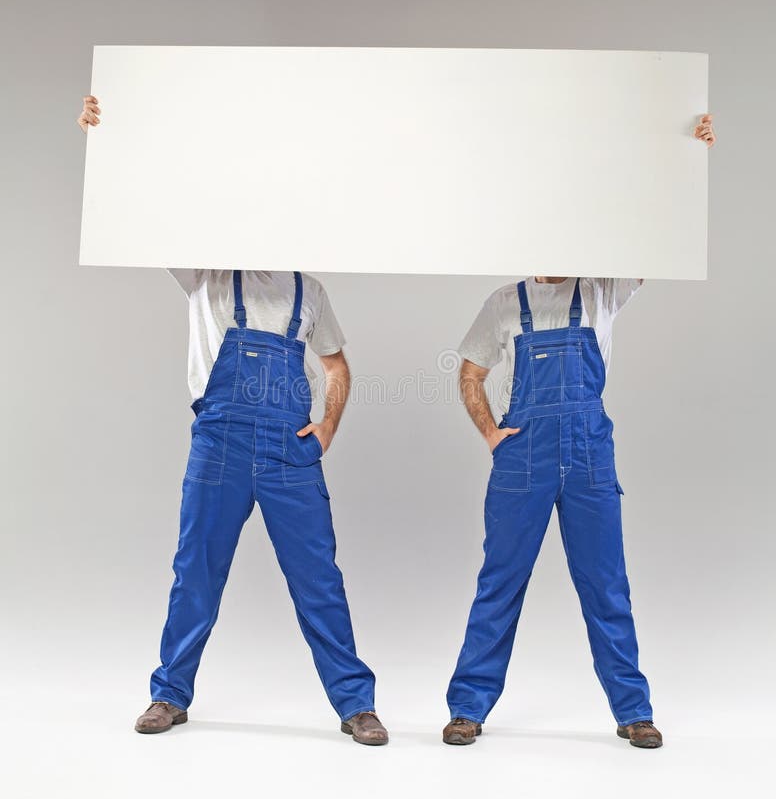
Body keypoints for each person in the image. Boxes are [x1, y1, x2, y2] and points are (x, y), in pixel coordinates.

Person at [77, 96, 389, 746]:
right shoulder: (208, 271)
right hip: (219, 443)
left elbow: (337, 368)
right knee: (197, 569)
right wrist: (106, 139)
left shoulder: (310, 290)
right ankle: (170, 695)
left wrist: (326, 427)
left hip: (288, 453)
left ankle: (356, 704)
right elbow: (140, 213)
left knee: (318, 577)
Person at [441, 114, 715, 749]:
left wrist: (686, 158)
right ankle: (468, 707)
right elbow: (470, 374)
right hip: (523, 458)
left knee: (605, 582)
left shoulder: (601, 289)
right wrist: (490, 434)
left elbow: (659, 232)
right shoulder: (504, 303)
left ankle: (633, 710)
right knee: (499, 582)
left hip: (589, 453)